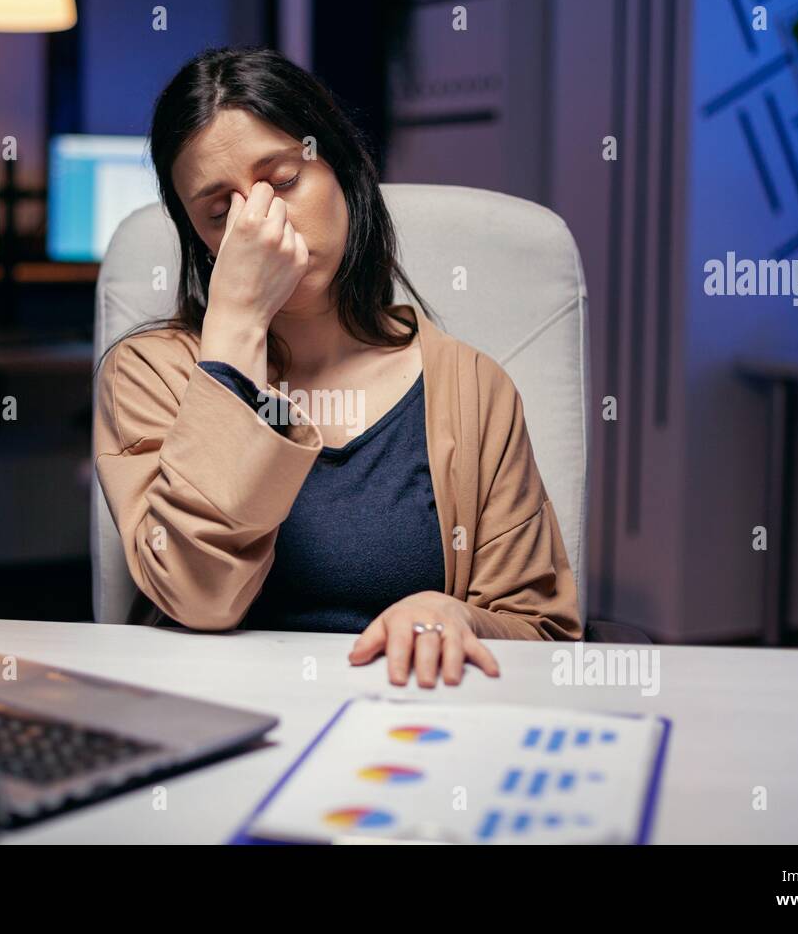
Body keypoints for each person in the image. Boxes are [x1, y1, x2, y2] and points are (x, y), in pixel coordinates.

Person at [95, 47, 581, 687]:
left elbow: (543, 632)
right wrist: (237, 327)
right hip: (214, 722)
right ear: (201, 240)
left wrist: (455, 615)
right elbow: (198, 597)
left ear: (343, 171)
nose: (260, 225)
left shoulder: (473, 387)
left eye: (286, 180)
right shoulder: (148, 373)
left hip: (408, 726)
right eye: (220, 212)